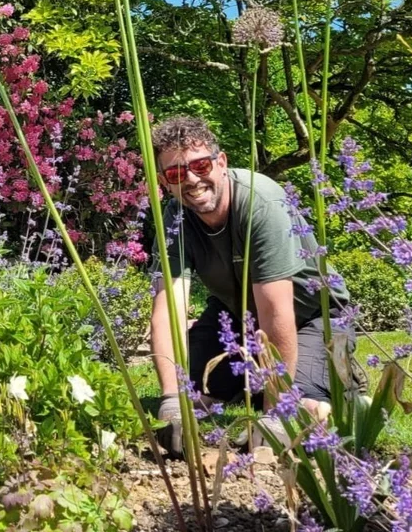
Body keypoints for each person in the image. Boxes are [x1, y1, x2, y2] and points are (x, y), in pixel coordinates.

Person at [148, 115, 353, 456]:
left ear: (221, 162)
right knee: (192, 390)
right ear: (164, 182)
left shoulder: (261, 203)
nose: (192, 179)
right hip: (236, 314)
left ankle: (336, 378)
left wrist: (276, 411)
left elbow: (277, 311)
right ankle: (249, 385)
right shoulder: (174, 218)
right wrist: (172, 401)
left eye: (200, 165)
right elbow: (168, 308)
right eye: (176, 173)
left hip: (311, 315)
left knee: (301, 404)